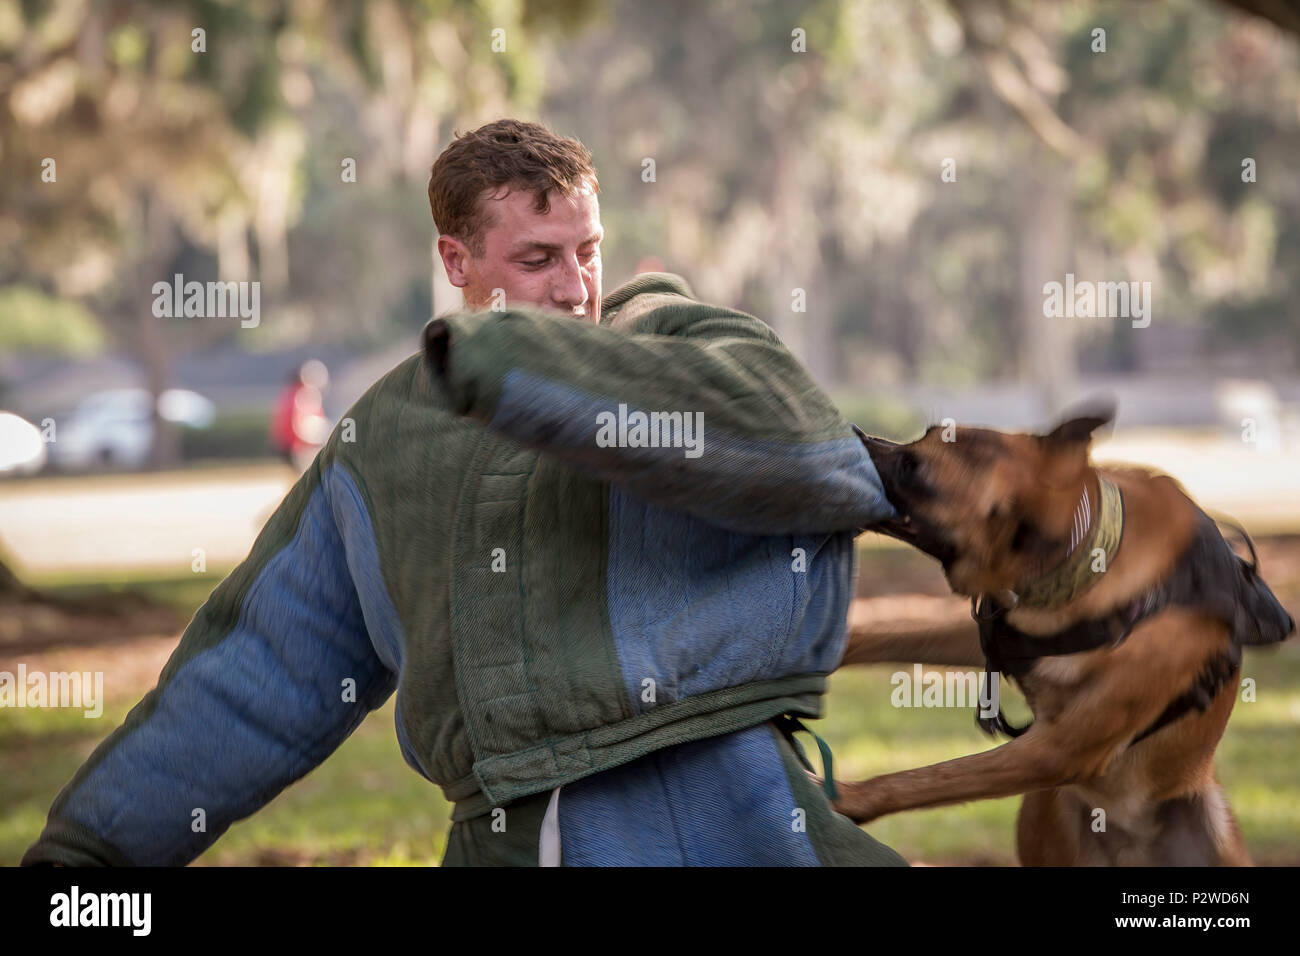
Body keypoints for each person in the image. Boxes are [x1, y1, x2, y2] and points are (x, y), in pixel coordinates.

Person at [22, 119, 905, 866]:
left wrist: (518, 364)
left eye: (587, 251)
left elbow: (818, 460)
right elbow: (258, 676)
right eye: (537, 258)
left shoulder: (673, 336)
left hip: (740, 810)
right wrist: (85, 860)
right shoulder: (384, 437)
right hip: (504, 832)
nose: (575, 287)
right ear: (456, 260)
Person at [270, 360, 330, 471]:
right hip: (296, 447)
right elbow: (296, 426)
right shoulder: (299, 396)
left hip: (287, 446)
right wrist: (312, 440)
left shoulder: (289, 394)